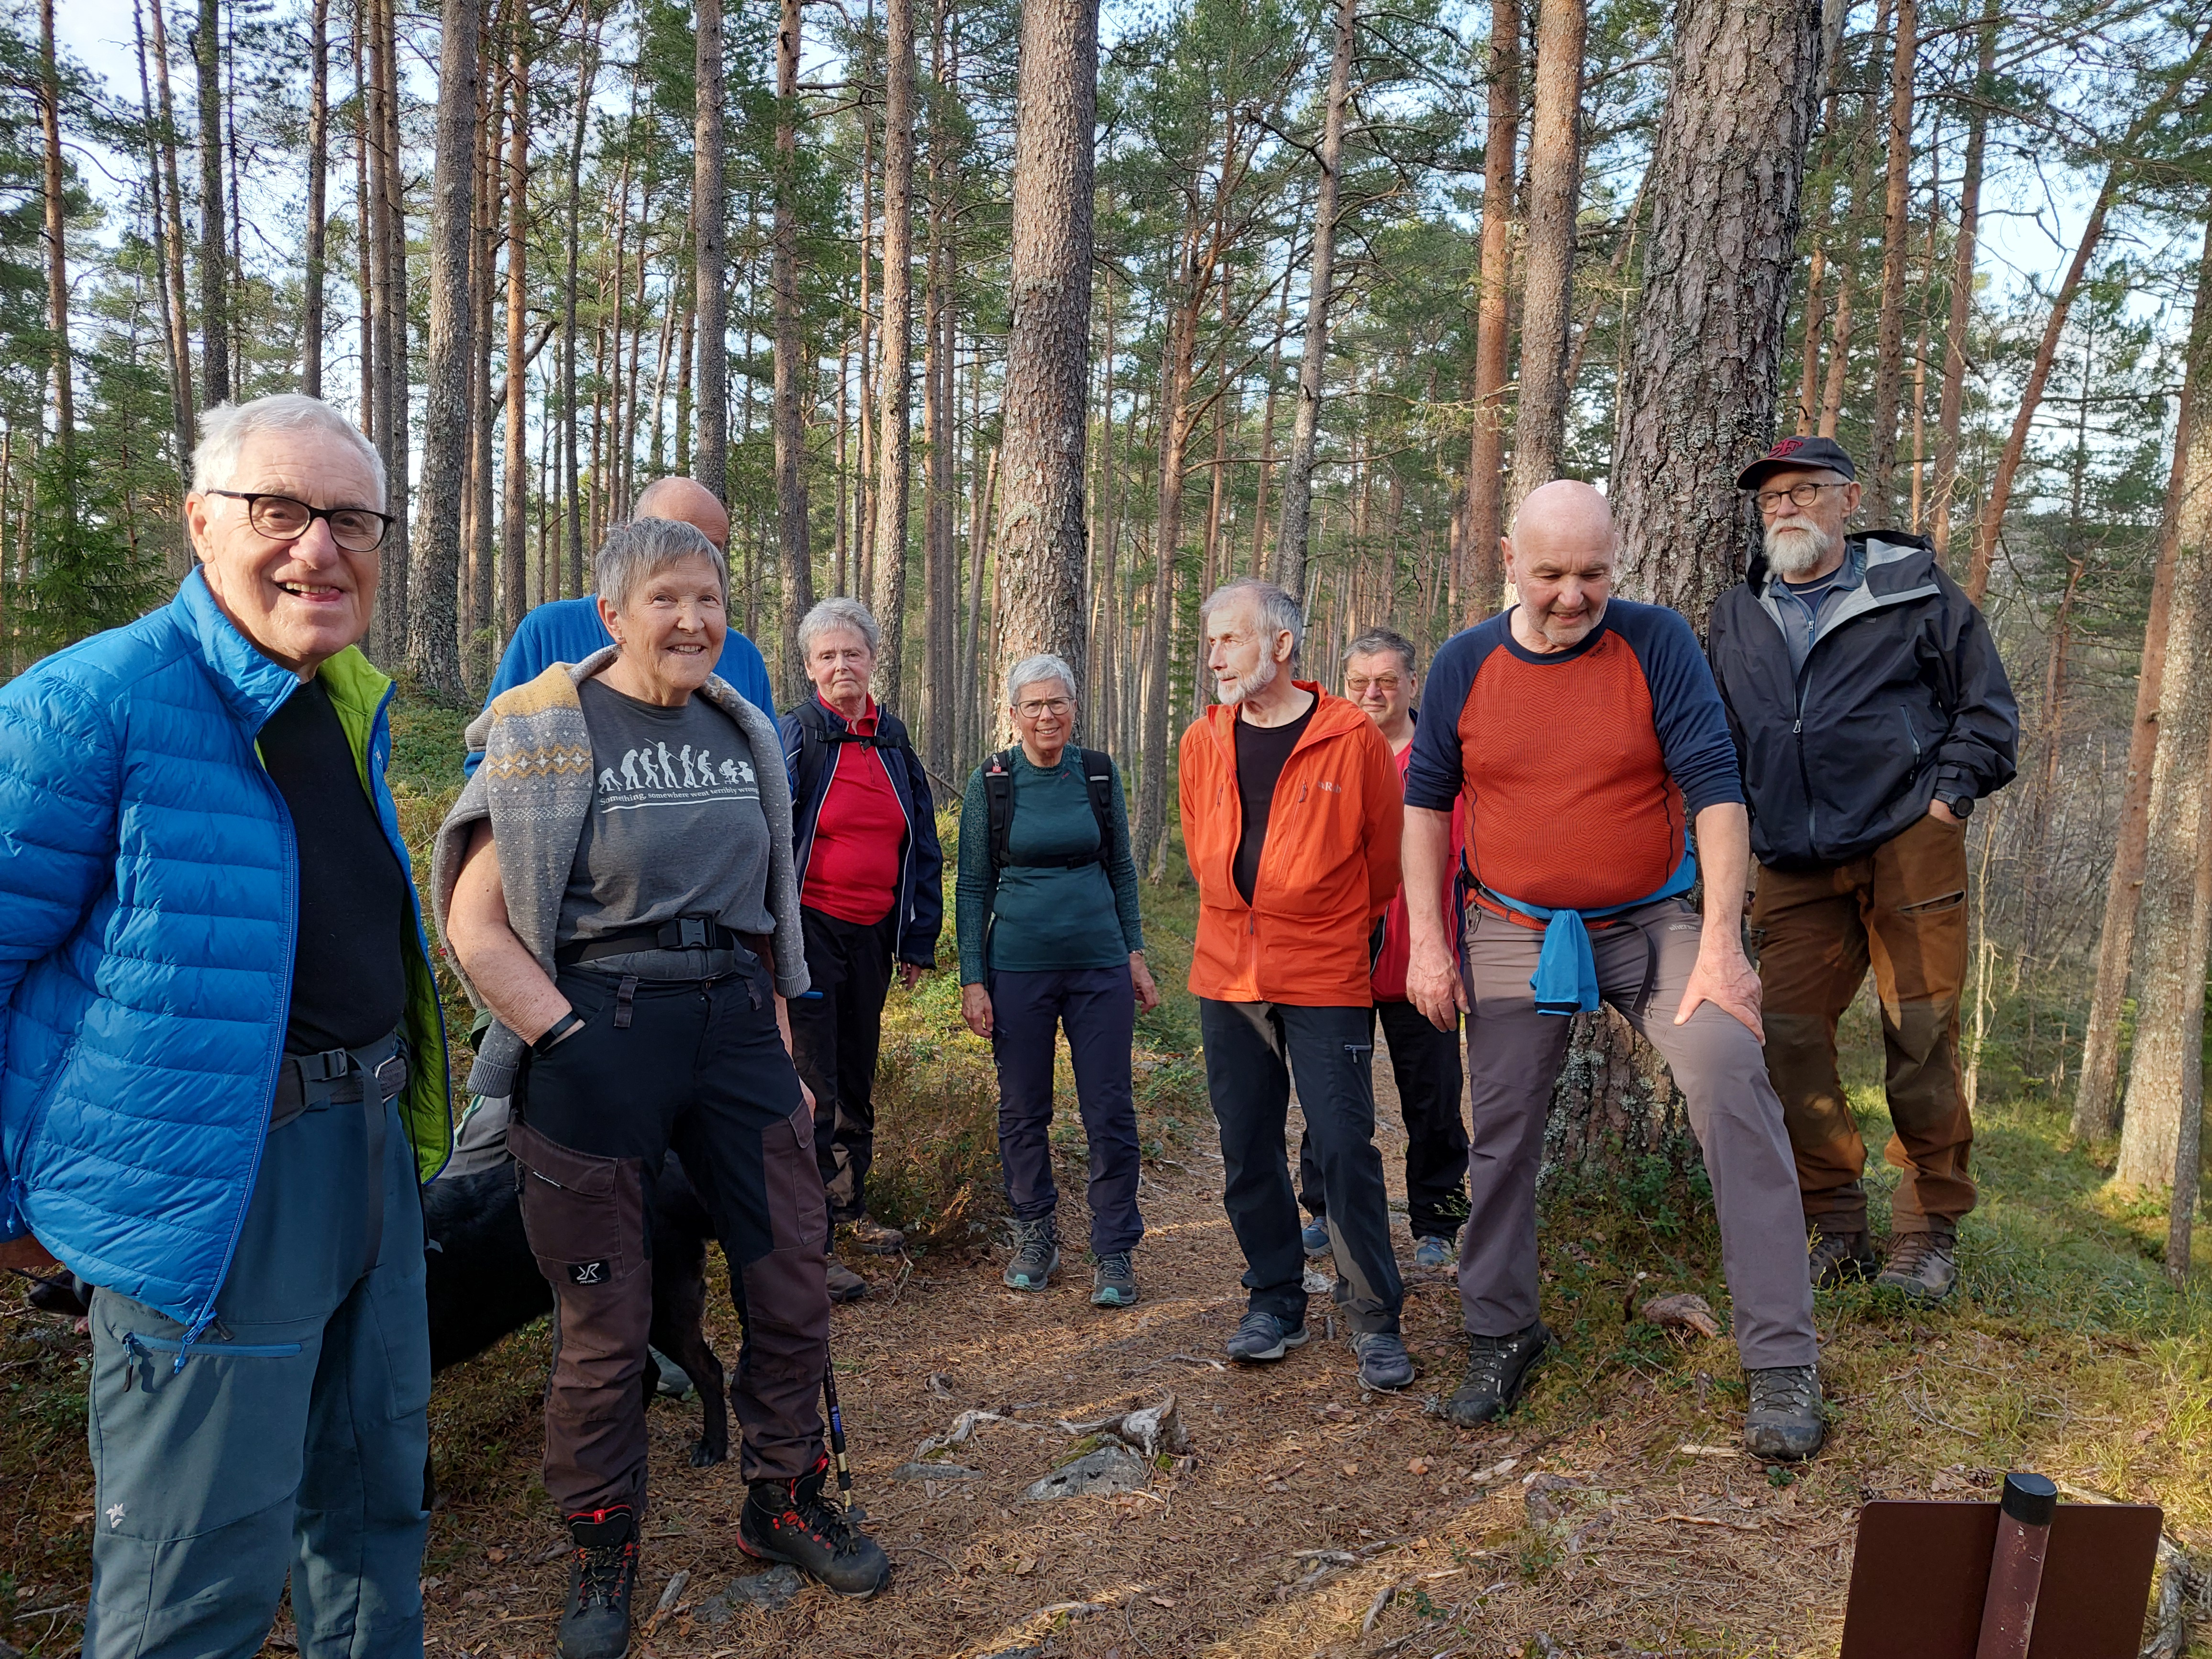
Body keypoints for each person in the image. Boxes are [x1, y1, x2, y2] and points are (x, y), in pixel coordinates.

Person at [0, 393, 453, 1659]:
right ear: (201, 525)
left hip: (367, 1164)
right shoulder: (93, 703)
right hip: (211, 1196)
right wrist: (19, 1203)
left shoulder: (341, 701)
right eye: (282, 510)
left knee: (373, 1522)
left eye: (352, 519)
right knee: (194, 1582)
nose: (321, 545)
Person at [435, 520, 888, 1657]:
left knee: (791, 1277)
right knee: (605, 1315)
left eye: (708, 598)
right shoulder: (546, 728)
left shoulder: (741, 731)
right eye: (666, 598)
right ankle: (600, 1542)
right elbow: (475, 924)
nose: (692, 619)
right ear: (614, 614)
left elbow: (772, 913)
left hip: (736, 1022)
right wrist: (564, 1035)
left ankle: (779, 1497)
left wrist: (782, 1060)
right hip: (601, 1028)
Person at [1404, 480, 1825, 1461]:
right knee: (1501, 1130)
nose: (1570, 595)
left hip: (1649, 922)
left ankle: (1778, 1357)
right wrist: (1428, 942)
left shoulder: (1655, 643)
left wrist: (1721, 943)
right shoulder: (1466, 661)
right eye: (1549, 574)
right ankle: (1501, 1330)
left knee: (1728, 1075)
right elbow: (1424, 806)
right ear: (1508, 560)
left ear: (1614, 562)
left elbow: (1715, 791)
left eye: (1590, 574)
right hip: (1509, 925)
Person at [1708, 436, 2018, 1303]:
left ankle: (1925, 1229)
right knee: (1786, 1034)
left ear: (1848, 501)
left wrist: (1945, 798)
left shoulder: (1914, 591)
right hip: (1791, 855)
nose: (1785, 508)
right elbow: (1721, 732)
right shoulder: (1738, 610)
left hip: (1904, 840)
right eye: (1770, 498)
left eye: (1805, 490)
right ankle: (1833, 1221)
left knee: (1918, 1032)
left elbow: (1986, 712)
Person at [1178, 578, 1415, 1392]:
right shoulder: (1201, 739)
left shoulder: (1350, 737)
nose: (1213, 655)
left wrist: (1331, 924)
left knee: (1343, 1142)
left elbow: (1382, 861)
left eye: (1229, 639)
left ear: (1281, 645)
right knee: (1246, 1144)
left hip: (1321, 971)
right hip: (1225, 970)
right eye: (1209, 641)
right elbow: (1200, 846)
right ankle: (1273, 1297)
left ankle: (1374, 1313)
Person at [956, 654, 1159, 1305]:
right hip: (1017, 964)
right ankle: (1036, 1233)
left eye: (1057, 703)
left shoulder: (1098, 773)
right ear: (1013, 714)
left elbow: (1122, 870)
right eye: (1033, 705)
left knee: (1109, 1107)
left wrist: (1134, 952)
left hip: (1099, 962)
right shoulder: (992, 783)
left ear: (1074, 708)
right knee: (1022, 1108)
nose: (1047, 715)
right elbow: (972, 886)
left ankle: (1115, 1250)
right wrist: (973, 977)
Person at [781, 597, 945, 1293]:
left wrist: (918, 937)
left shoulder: (892, 738)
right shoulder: (798, 734)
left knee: (856, 1069)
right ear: (810, 666)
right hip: (810, 927)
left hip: (874, 933)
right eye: (828, 656)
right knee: (813, 1080)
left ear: (875, 659)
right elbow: (769, 833)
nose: (842, 666)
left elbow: (924, 845)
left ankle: (851, 1207)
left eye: (853, 653)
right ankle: (808, 1241)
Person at [1296, 629, 1471, 1272]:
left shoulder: (1444, 753)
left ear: (1412, 684)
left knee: (1435, 1095)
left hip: (1424, 955)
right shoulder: (1327, 751)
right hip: (1340, 958)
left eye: (1387, 682)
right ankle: (1323, 1211)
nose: (1373, 693)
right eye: (1360, 682)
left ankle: (1440, 1220)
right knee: (1332, 1094)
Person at [463, 476, 773, 773]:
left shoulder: (742, 657)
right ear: (631, 538)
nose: (695, 556)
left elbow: (772, 771)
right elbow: (489, 760)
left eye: (712, 547)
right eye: (673, 538)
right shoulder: (550, 631)